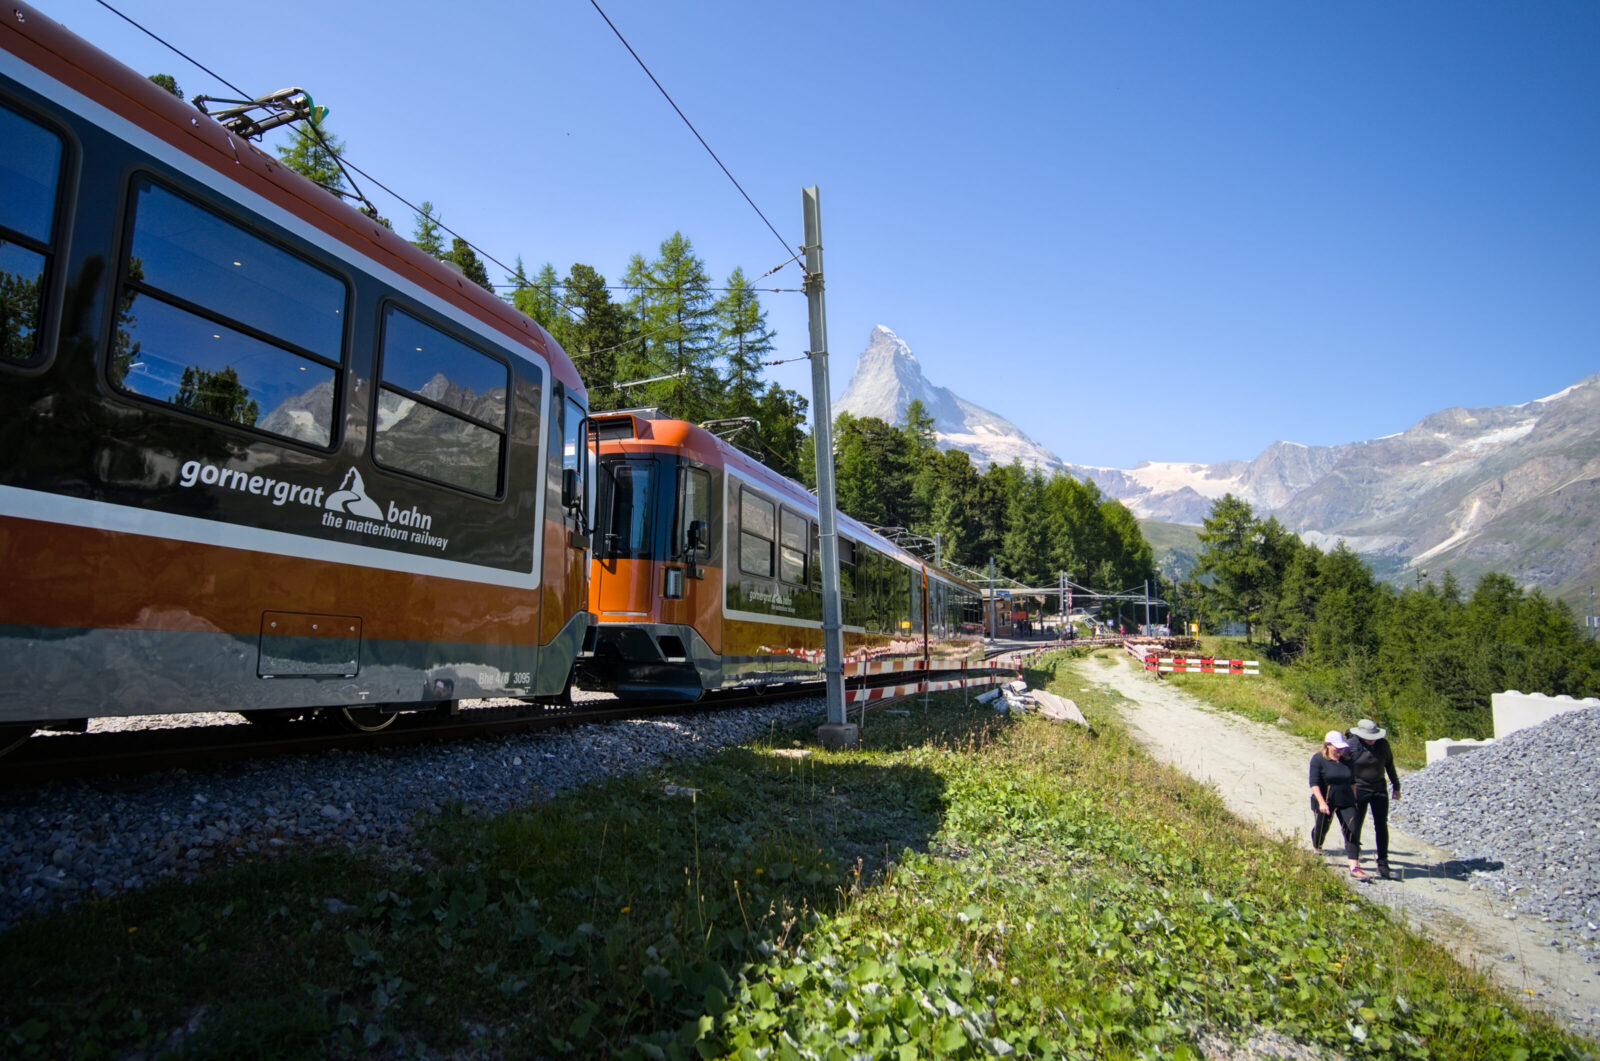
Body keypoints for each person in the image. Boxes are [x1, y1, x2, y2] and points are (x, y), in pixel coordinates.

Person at [1344, 717, 1401, 880]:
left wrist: (1396, 786)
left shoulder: (1383, 745)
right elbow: (1344, 767)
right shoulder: (1352, 745)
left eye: (1373, 736)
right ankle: (1355, 858)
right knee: (1356, 823)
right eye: (1368, 736)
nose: (1371, 740)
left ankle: (1383, 864)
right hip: (1359, 789)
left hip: (1379, 788)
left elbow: (1389, 764)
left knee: (1381, 825)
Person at [1307, 730, 1356, 861]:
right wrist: (1322, 803)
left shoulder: (1347, 760)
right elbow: (1314, 783)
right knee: (1322, 828)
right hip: (1325, 799)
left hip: (1345, 799)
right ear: (1328, 745)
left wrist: (1355, 800)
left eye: (1342, 748)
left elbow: (1352, 782)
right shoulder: (1318, 759)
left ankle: (1354, 863)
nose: (1340, 751)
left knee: (1352, 828)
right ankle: (1317, 847)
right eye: (1337, 748)